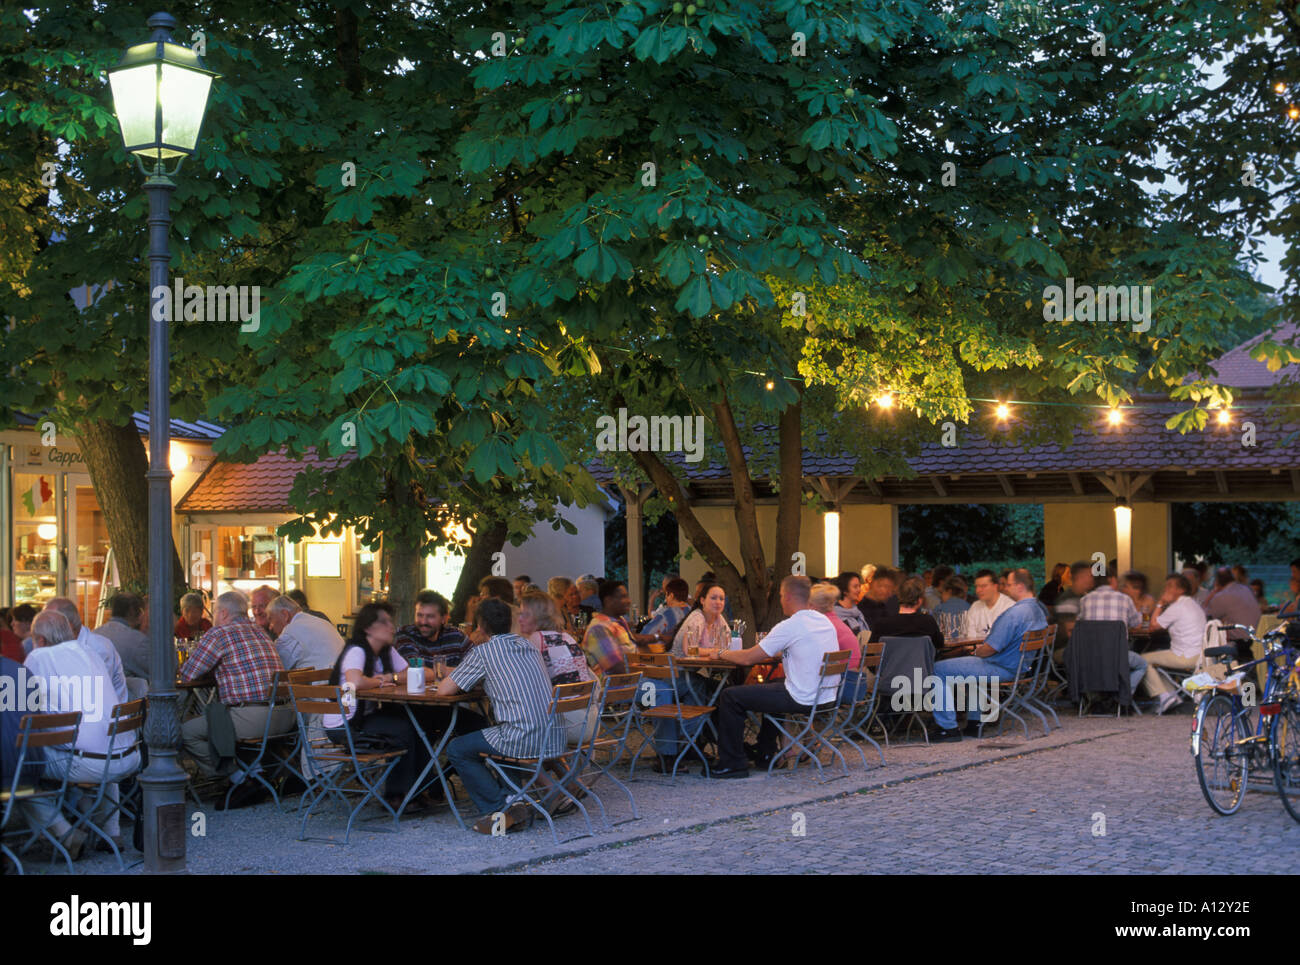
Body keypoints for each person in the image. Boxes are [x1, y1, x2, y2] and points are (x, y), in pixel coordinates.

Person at [20, 610, 139, 859]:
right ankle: (110, 831)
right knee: (97, 745)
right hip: (127, 758)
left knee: (20, 772)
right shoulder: (90, 652)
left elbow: (24, 708)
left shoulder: (38, 657)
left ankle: (64, 834)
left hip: (88, 764)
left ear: (39, 639)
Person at [440, 598, 562, 834]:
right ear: (510, 622)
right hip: (553, 736)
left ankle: (499, 809)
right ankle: (513, 801)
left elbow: (445, 689)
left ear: (480, 625)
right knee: (498, 739)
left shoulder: (484, 651)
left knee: (457, 748)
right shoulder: (529, 646)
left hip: (522, 737)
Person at [707, 576, 841, 778]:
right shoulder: (823, 621)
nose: (779, 600)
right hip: (826, 697)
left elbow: (747, 658)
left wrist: (719, 653)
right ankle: (765, 753)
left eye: (779, 596)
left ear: (787, 597)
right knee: (772, 686)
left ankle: (732, 764)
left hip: (802, 697)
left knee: (730, 696)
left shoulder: (791, 625)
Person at [318, 601, 434, 810]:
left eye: (391, 622)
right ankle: (396, 796)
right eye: (384, 622)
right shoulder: (357, 650)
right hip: (343, 724)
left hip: (363, 718)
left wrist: (392, 676)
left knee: (416, 724)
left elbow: (418, 673)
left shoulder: (386, 651)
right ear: (368, 628)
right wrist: (380, 681)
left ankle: (418, 789)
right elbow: (356, 682)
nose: (391, 627)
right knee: (403, 730)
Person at [179, 591, 290, 779]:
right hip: (286, 717)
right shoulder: (260, 631)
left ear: (222, 613)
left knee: (186, 732)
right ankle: (253, 772)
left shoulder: (219, 633)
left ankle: (236, 777)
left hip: (254, 720)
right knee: (220, 715)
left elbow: (188, 674)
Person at [930, 568, 1048, 741]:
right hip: (1021, 667)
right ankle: (974, 722)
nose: (1005, 588)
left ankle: (948, 728)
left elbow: (990, 648)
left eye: (1008, 584)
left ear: (1020, 586)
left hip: (1002, 667)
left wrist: (976, 652)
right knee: (969, 667)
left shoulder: (1015, 613)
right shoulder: (1037, 610)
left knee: (937, 669)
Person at [518, 592, 596, 746]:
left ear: (539, 618)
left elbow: (520, 681)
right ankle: (556, 767)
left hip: (566, 726)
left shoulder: (535, 640)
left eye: (525, 615)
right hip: (590, 722)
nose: (519, 619)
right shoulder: (567, 637)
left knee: (514, 728)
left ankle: (532, 768)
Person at [1140, 573, 1209, 714]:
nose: (1165, 589)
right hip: (1198, 655)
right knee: (1156, 658)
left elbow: (1153, 626)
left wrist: (1160, 603)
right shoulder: (1192, 603)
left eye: (1170, 586)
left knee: (1142, 660)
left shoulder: (1177, 607)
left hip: (1186, 656)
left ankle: (1164, 696)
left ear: (1181, 590)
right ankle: (1171, 696)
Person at [45, 597, 129, 708]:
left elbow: (91, 695)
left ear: (68, 625)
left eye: (49, 624)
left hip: (104, 718)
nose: (45, 630)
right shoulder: (63, 645)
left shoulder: (98, 647)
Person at [267, 595, 345, 671]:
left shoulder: (290, 632)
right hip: (343, 680)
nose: (270, 627)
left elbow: (276, 668)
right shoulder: (321, 621)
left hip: (322, 682)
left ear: (285, 615)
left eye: (271, 619)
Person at [394, 589, 469, 667]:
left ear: (443, 618)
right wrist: (459, 672)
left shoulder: (456, 637)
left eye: (430, 616)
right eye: (419, 615)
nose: (423, 622)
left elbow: (477, 665)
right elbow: (416, 669)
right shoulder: (405, 635)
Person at [580, 580, 641, 674]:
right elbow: (616, 667)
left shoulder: (619, 621)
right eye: (623, 597)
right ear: (608, 601)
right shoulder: (599, 629)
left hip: (632, 679)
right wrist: (649, 672)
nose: (629, 601)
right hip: (616, 685)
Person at [868, 576, 944, 649]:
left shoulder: (881, 624)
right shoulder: (928, 622)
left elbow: (870, 651)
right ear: (919, 601)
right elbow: (940, 644)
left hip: (891, 662)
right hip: (920, 662)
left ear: (899, 597)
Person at [95, 592, 150, 692]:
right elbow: (165, 673)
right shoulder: (137, 640)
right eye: (142, 611)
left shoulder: (94, 634)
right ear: (132, 611)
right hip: (128, 704)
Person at [670, 582, 731, 657]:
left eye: (721, 599)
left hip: (703, 666)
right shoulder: (697, 618)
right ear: (702, 601)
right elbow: (689, 650)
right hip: (680, 667)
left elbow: (728, 645)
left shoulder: (719, 617)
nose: (718, 602)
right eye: (713, 598)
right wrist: (715, 651)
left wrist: (718, 651)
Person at [811, 582, 861, 668]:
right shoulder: (834, 621)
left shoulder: (823, 625)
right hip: (853, 674)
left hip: (842, 675)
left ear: (814, 605)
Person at [958, 569, 1014, 640]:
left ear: (995, 586)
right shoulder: (975, 606)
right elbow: (969, 638)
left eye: (983, 586)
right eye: (976, 586)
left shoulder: (1009, 606)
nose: (978, 590)